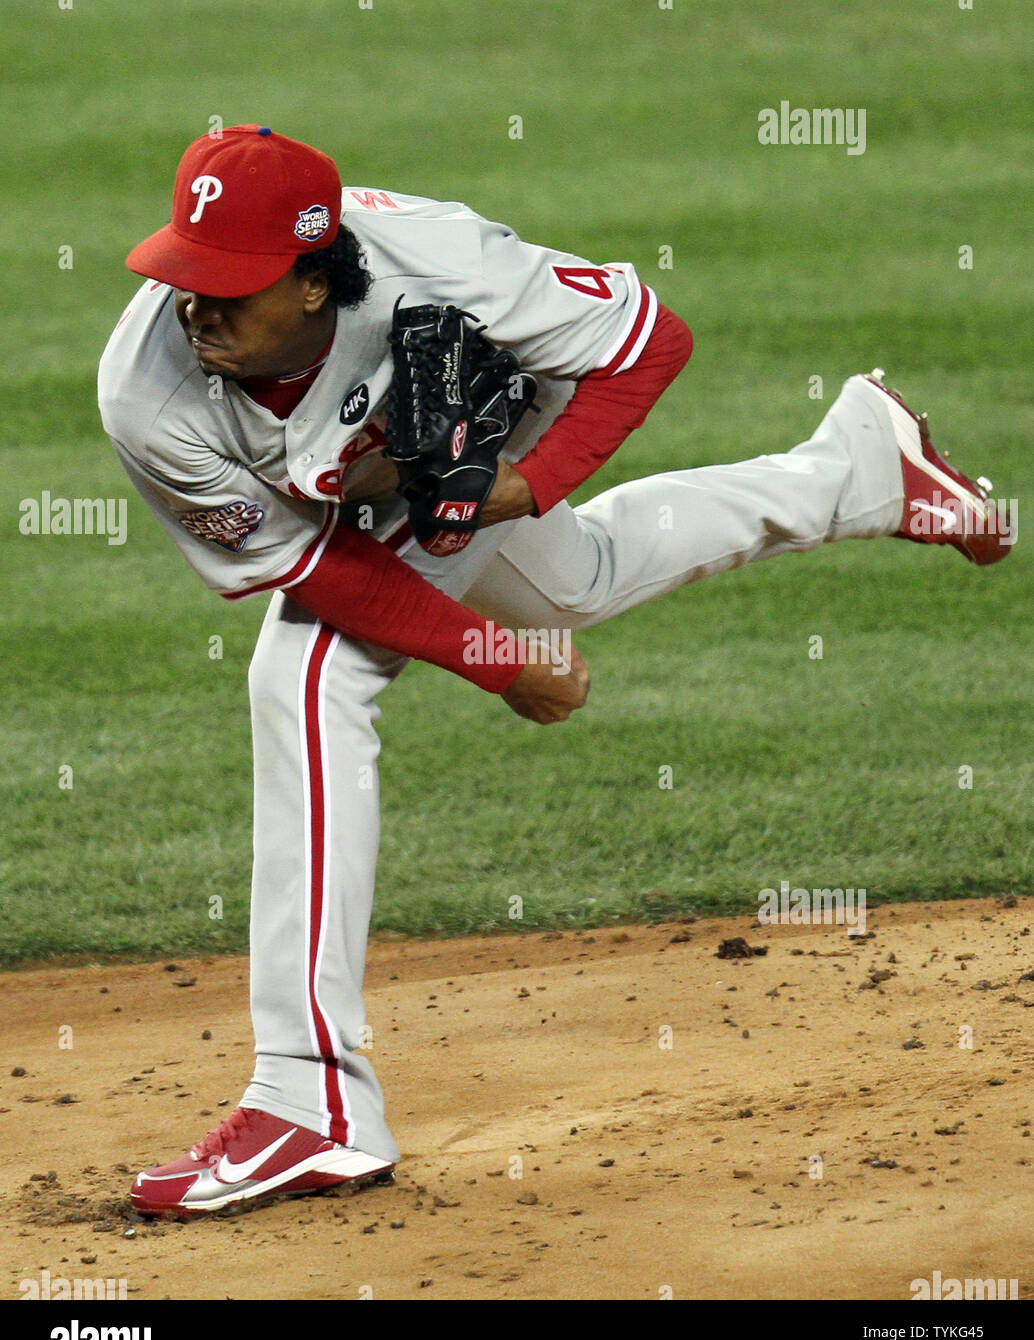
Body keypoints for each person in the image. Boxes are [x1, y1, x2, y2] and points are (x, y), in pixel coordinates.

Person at [98, 125, 1007, 1218]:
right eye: (183, 279)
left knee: (302, 678)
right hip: (361, 500)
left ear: (310, 280)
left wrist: (521, 488)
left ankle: (312, 1098)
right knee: (574, 583)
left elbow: (646, 345)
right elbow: (324, 567)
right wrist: (498, 657)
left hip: (486, 431)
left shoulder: (446, 264)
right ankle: (857, 470)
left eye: (226, 291)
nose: (193, 312)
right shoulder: (145, 395)